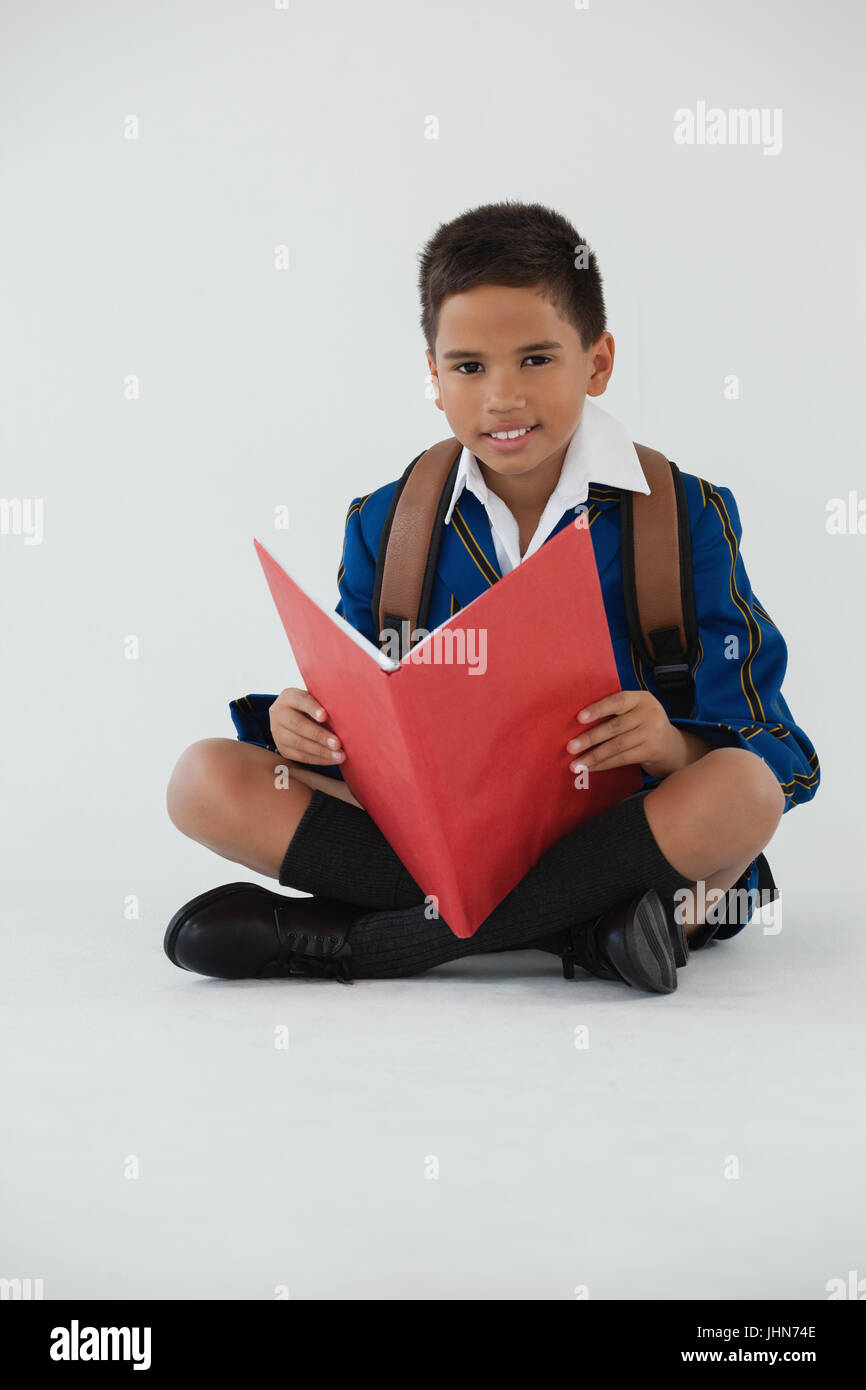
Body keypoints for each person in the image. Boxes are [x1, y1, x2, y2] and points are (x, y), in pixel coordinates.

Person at [164, 201, 820, 994]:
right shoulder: (389, 521)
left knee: (743, 789)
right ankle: (592, 934)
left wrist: (671, 746)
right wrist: (302, 728)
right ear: (434, 379)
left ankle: (360, 944)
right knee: (204, 779)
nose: (503, 397)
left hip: (627, 833)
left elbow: (783, 752)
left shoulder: (682, 516)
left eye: (537, 360)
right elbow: (363, 702)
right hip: (446, 840)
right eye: (470, 367)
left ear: (598, 362)